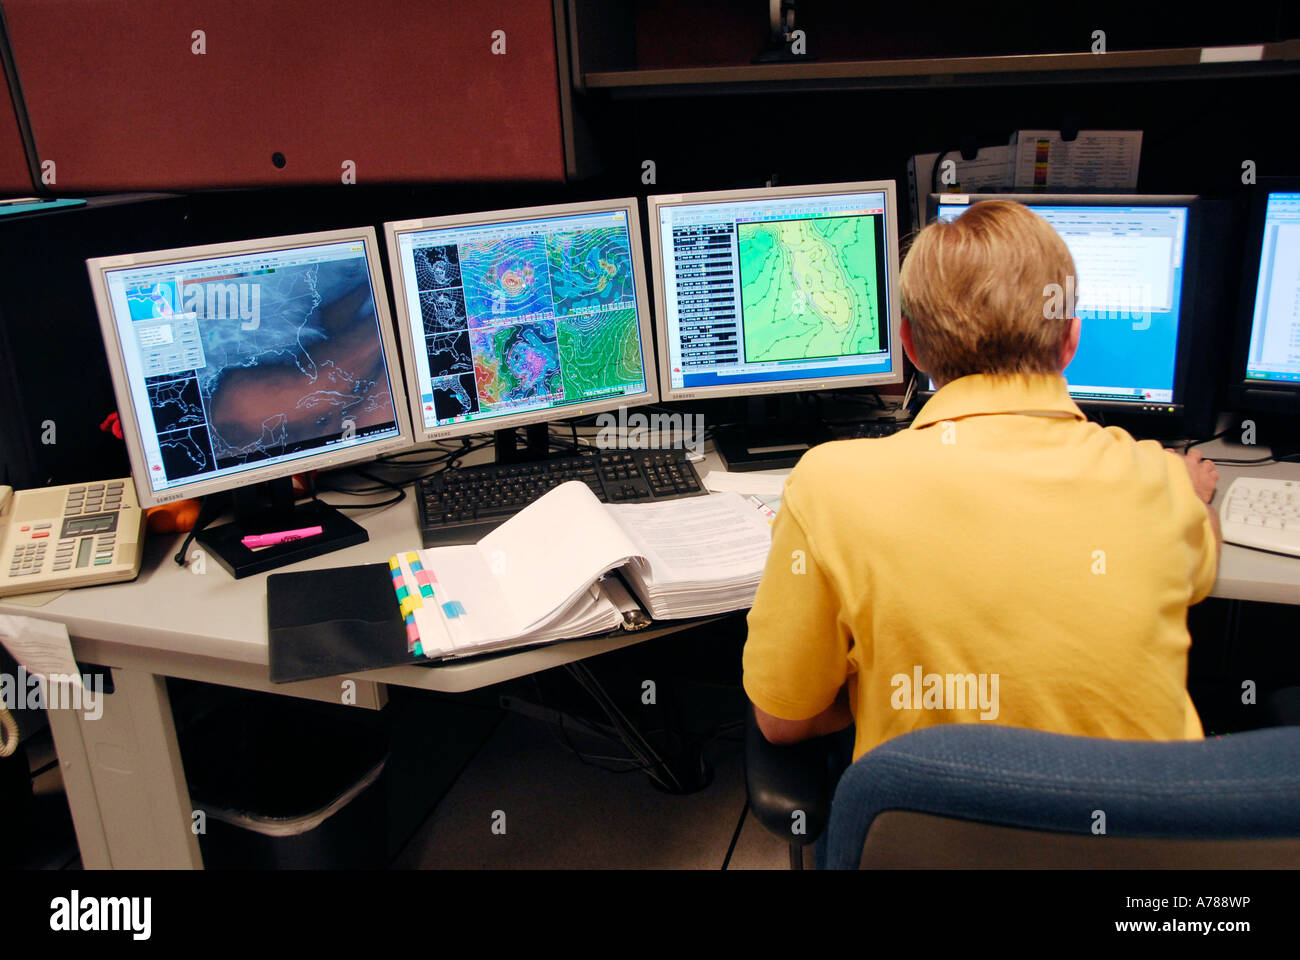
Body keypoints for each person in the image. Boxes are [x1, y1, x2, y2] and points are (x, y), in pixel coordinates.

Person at [743, 200, 1220, 762]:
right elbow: (1198, 572)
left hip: (928, 843)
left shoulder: (828, 486)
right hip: (1138, 845)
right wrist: (1190, 494)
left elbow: (782, 722)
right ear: (1071, 340)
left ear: (912, 346)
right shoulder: (1159, 483)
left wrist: (873, 693)